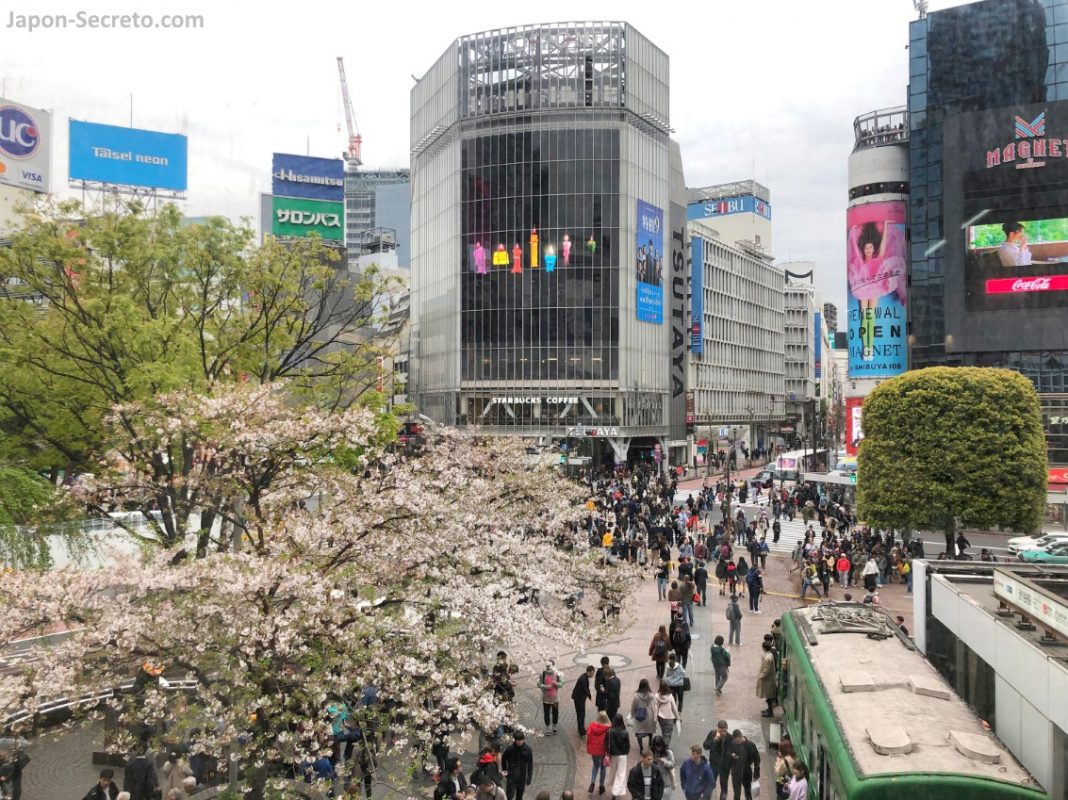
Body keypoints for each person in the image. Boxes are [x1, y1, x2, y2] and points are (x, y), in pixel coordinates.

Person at [727, 730, 760, 800]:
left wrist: (756, 774)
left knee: (748, 793)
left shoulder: (751, 745)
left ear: (741, 737)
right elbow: (728, 752)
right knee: (736, 793)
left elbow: (757, 759)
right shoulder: (733, 743)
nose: (737, 743)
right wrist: (731, 755)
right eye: (735, 741)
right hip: (736, 772)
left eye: (738, 741)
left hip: (746, 772)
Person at [702, 721, 730, 800]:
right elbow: (705, 746)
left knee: (724, 785)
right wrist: (715, 740)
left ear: (727, 729)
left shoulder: (729, 737)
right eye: (721, 731)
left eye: (724, 731)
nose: (722, 733)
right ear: (717, 729)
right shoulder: (712, 734)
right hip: (714, 764)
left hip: (725, 766)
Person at [501, 733, 534, 800]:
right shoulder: (510, 749)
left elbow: (530, 764)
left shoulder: (527, 749)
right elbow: (503, 760)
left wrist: (529, 777)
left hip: (522, 776)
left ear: (523, 740)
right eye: (518, 740)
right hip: (511, 775)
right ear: (515, 740)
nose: (519, 742)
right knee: (509, 795)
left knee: (519, 795)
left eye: (521, 740)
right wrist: (505, 771)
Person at [586, 711, 611, 795]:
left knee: (595, 766)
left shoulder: (592, 726)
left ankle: (592, 782)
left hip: (594, 751)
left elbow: (588, 736)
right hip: (603, 751)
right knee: (603, 768)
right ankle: (601, 786)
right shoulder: (607, 729)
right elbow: (608, 742)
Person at [607, 714, 631, 800]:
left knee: (613, 771)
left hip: (613, 755)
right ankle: (616, 791)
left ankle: (612, 785)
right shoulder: (625, 732)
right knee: (621, 773)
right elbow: (628, 745)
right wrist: (626, 752)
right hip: (622, 755)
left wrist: (608, 753)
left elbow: (606, 743)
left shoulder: (610, 731)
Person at [631, 678, 658, 753]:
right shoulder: (650, 695)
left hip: (639, 714)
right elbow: (654, 705)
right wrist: (655, 716)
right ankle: (650, 742)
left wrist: (632, 714)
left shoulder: (636, 695)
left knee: (638, 731)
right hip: (648, 713)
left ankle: (641, 748)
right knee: (649, 729)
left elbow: (634, 706)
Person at [538, 660, 564, 735]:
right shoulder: (542, 673)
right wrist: (545, 686)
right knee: (546, 713)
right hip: (545, 698)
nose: (547, 667)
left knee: (555, 712)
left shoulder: (557, 673)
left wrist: (555, 683)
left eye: (549, 665)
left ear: (553, 665)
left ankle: (554, 725)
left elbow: (561, 684)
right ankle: (547, 728)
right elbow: (539, 684)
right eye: (546, 666)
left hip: (555, 698)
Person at [653, 680, 681, 748]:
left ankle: (662, 744)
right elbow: (674, 708)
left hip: (661, 717)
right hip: (669, 718)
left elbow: (655, 708)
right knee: (667, 734)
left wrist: (655, 719)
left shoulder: (656, 696)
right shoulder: (670, 696)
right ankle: (665, 747)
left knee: (664, 731)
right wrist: (677, 718)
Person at [573, 665, 596, 736]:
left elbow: (586, 688)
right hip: (579, 699)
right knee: (581, 714)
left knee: (581, 714)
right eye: (592, 673)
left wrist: (589, 696)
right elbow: (585, 689)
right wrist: (589, 696)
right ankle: (581, 730)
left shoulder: (585, 677)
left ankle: (581, 729)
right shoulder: (583, 678)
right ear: (588, 672)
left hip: (579, 698)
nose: (592, 675)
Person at [756, 641, 777, 718]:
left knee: (769, 697)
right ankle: (769, 710)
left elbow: (766, 670)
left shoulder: (768, 658)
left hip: (768, 680)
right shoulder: (769, 655)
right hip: (768, 679)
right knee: (768, 697)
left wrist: (760, 676)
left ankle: (770, 712)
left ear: (764, 648)